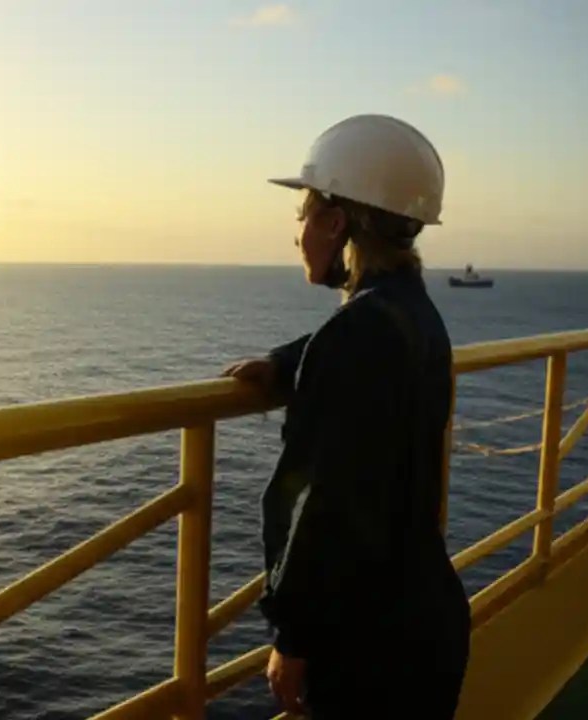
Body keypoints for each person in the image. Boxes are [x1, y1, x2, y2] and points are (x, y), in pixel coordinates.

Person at [222, 114, 471, 717]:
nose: (298, 233)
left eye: (303, 216)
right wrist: (287, 363)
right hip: (423, 619)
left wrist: (295, 637)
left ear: (336, 222)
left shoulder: (358, 335)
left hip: (371, 648)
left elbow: (320, 501)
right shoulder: (412, 315)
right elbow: (353, 353)